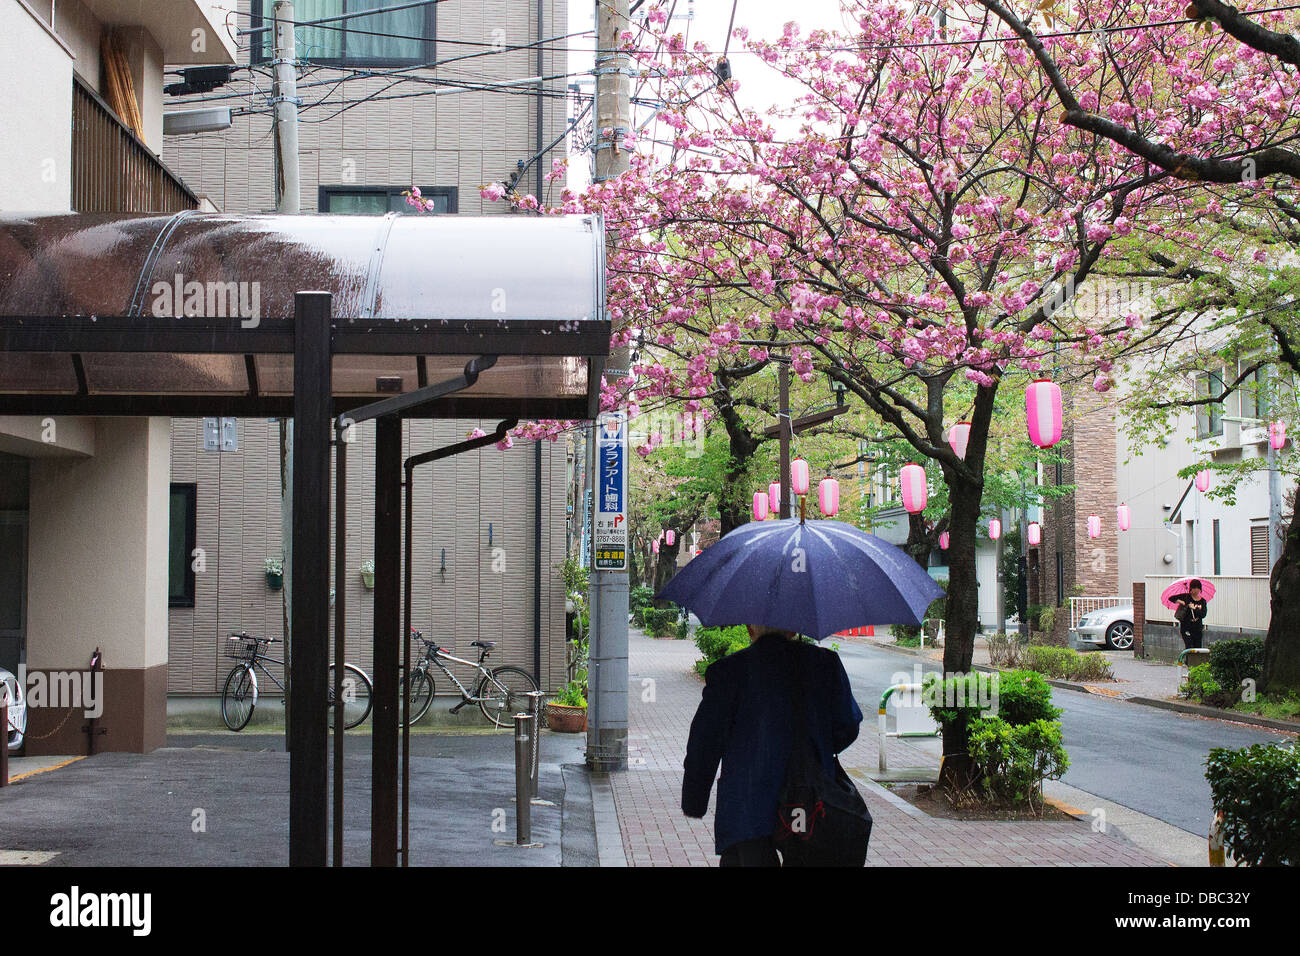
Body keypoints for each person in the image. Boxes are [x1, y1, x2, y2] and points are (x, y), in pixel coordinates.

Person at [681, 625, 863, 866]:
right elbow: (847, 725)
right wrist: (817, 749)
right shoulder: (825, 664)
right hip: (812, 799)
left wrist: (695, 801)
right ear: (793, 629)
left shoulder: (729, 671)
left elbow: (704, 743)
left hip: (747, 806)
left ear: (749, 629)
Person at [1173, 579, 1209, 649]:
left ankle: (1194, 660)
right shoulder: (1186, 597)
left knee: (1197, 647)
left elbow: (1203, 614)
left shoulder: (1202, 601)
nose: (1195, 590)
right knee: (1189, 645)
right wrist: (1181, 602)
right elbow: (1172, 598)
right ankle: (1188, 659)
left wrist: (1195, 609)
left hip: (1197, 627)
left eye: (1197, 588)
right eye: (1194, 588)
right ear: (1190, 588)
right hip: (1186, 627)